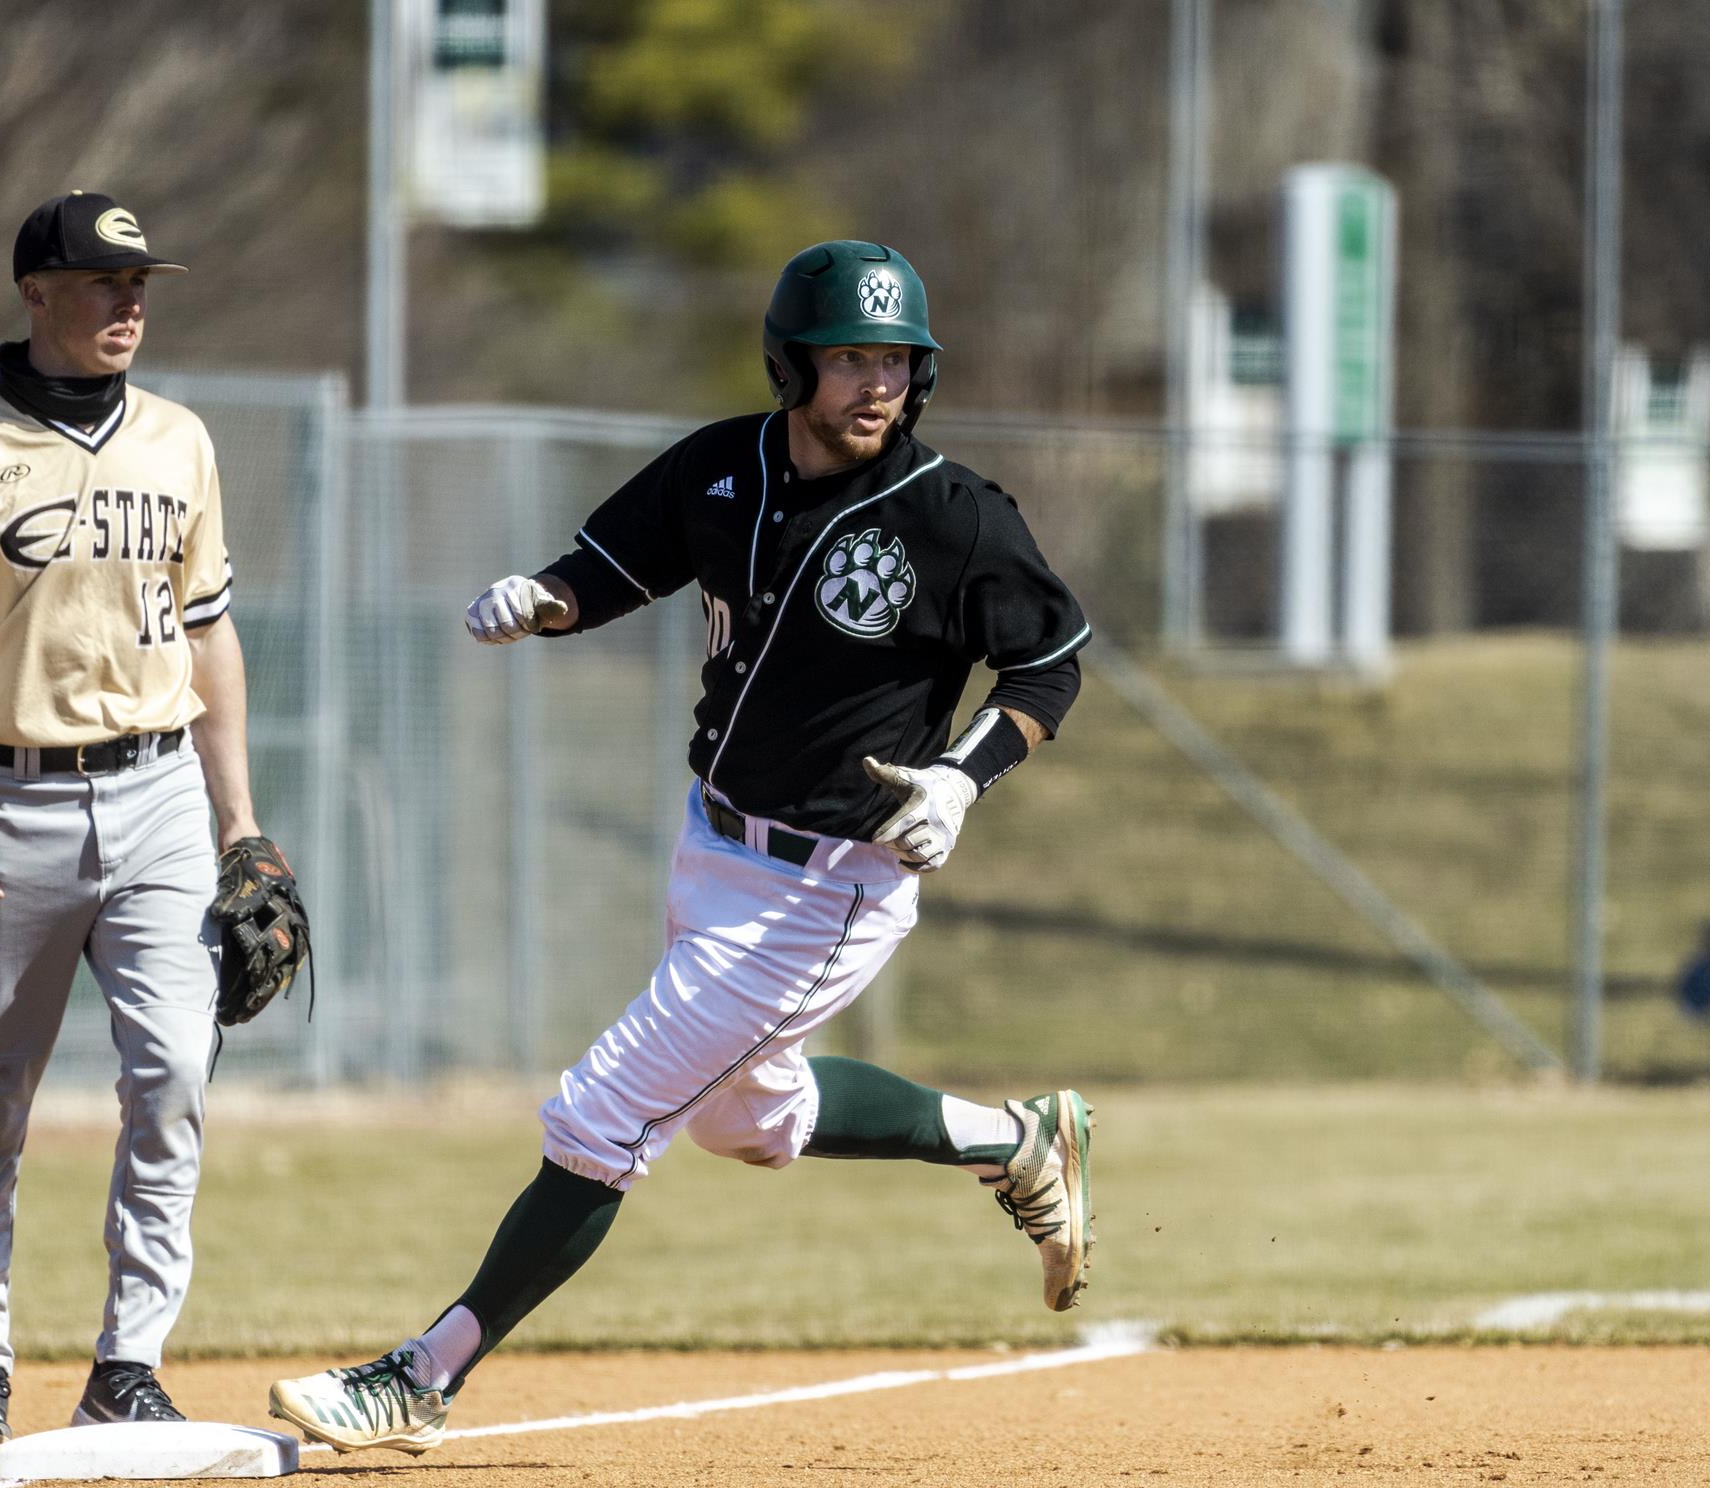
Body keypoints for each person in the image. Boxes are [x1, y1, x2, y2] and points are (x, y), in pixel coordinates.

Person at [267, 240, 1095, 1455]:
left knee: (601, 1119)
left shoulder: (953, 517)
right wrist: (543, 600)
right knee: (745, 1119)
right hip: (710, 841)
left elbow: (1048, 660)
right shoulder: (723, 467)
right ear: (791, 363)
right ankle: (1016, 1141)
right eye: (849, 357)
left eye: (896, 361)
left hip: (828, 889)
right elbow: (610, 568)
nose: (875, 383)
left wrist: (964, 781)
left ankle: (420, 1374)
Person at [0, 191, 266, 1462]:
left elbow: (207, 634)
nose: (129, 303)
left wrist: (240, 830)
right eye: (103, 283)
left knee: (174, 1082)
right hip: (7, 800)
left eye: (141, 282)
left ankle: (128, 1365)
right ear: (36, 293)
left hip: (158, 797)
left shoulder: (179, 441)